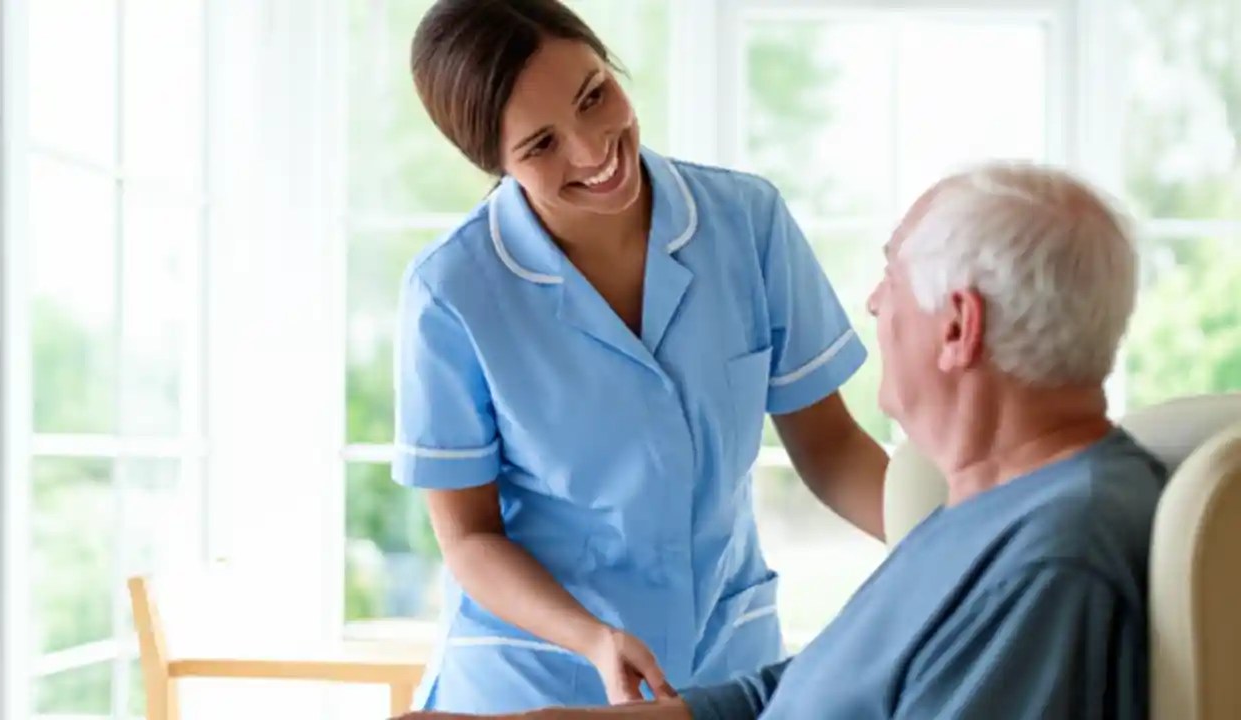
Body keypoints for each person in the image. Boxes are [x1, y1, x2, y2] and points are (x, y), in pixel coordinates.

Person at [397, 163, 1168, 719]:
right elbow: (825, 684)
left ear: (958, 326)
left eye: (891, 279)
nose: (871, 303)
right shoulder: (977, 516)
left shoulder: (1051, 562)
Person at [394, 0, 887, 713]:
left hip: (724, 665)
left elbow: (832, 445)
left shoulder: (747, 222)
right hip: (539, 678)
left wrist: (951, 544)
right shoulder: (453, 290)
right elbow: (469, 536)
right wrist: (591, 638)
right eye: (541, 145)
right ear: (494, 162)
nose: (593, 150)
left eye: (595, 96)